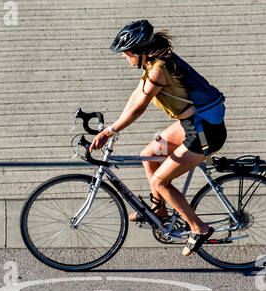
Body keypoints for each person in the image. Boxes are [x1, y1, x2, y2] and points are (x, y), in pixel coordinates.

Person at [89, 20, 227, 256]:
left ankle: (199, 228)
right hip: (191, 124)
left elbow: (138, 109)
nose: (124, 57)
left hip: (204, 132)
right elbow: (135, 97)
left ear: (139, 51)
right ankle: (159, 210)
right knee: (149, 155)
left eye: (125, 52)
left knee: (161, 182)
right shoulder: (153, 65)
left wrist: (111, 131)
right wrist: (112, 127)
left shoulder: (158, 71)